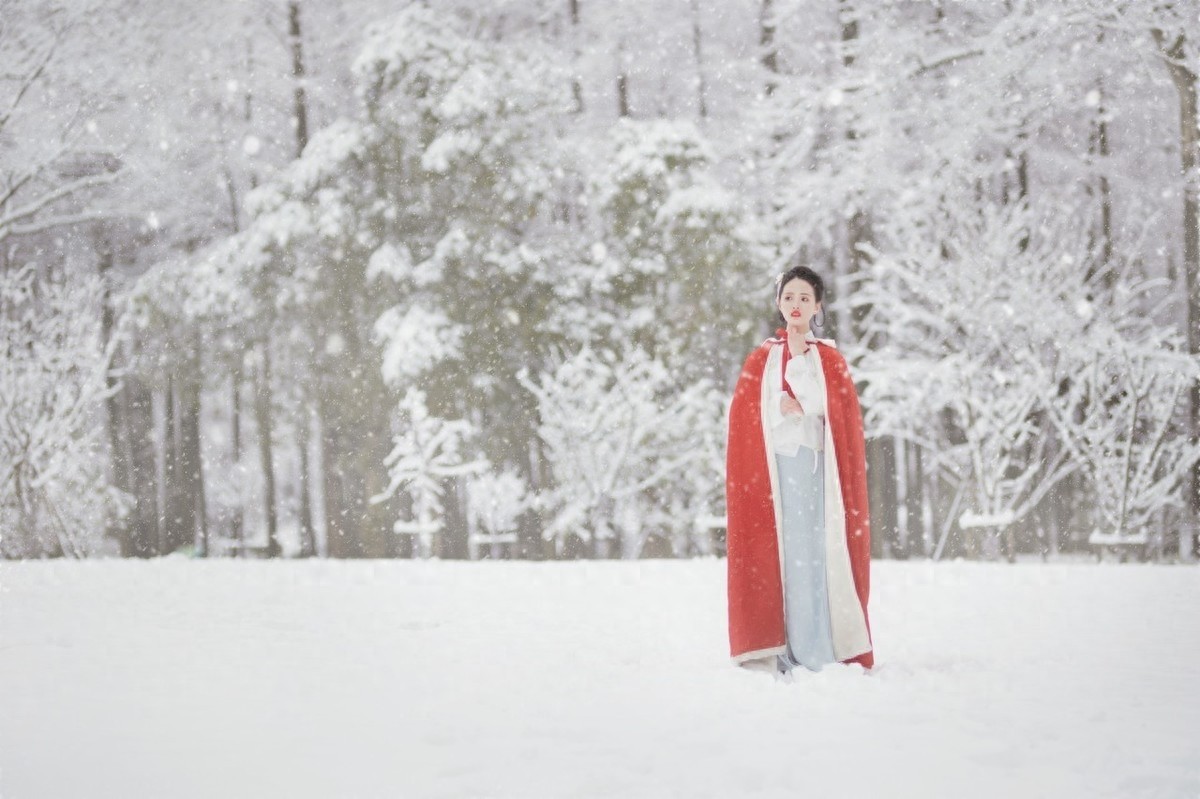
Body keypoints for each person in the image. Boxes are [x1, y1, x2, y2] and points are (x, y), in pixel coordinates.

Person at [725, 264, 874, 673]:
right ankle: (783, 642)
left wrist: (805, 394)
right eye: (789, 297)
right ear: (778, 302)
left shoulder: (827, 359)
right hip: (774, 477)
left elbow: (840, 415)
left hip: (817, 475)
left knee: (816, 554)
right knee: (784, 556)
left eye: (804, 298)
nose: (796, 304)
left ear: (817, 306)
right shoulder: (761, 359)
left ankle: (819, 645)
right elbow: (746, 416)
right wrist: (778, 406)